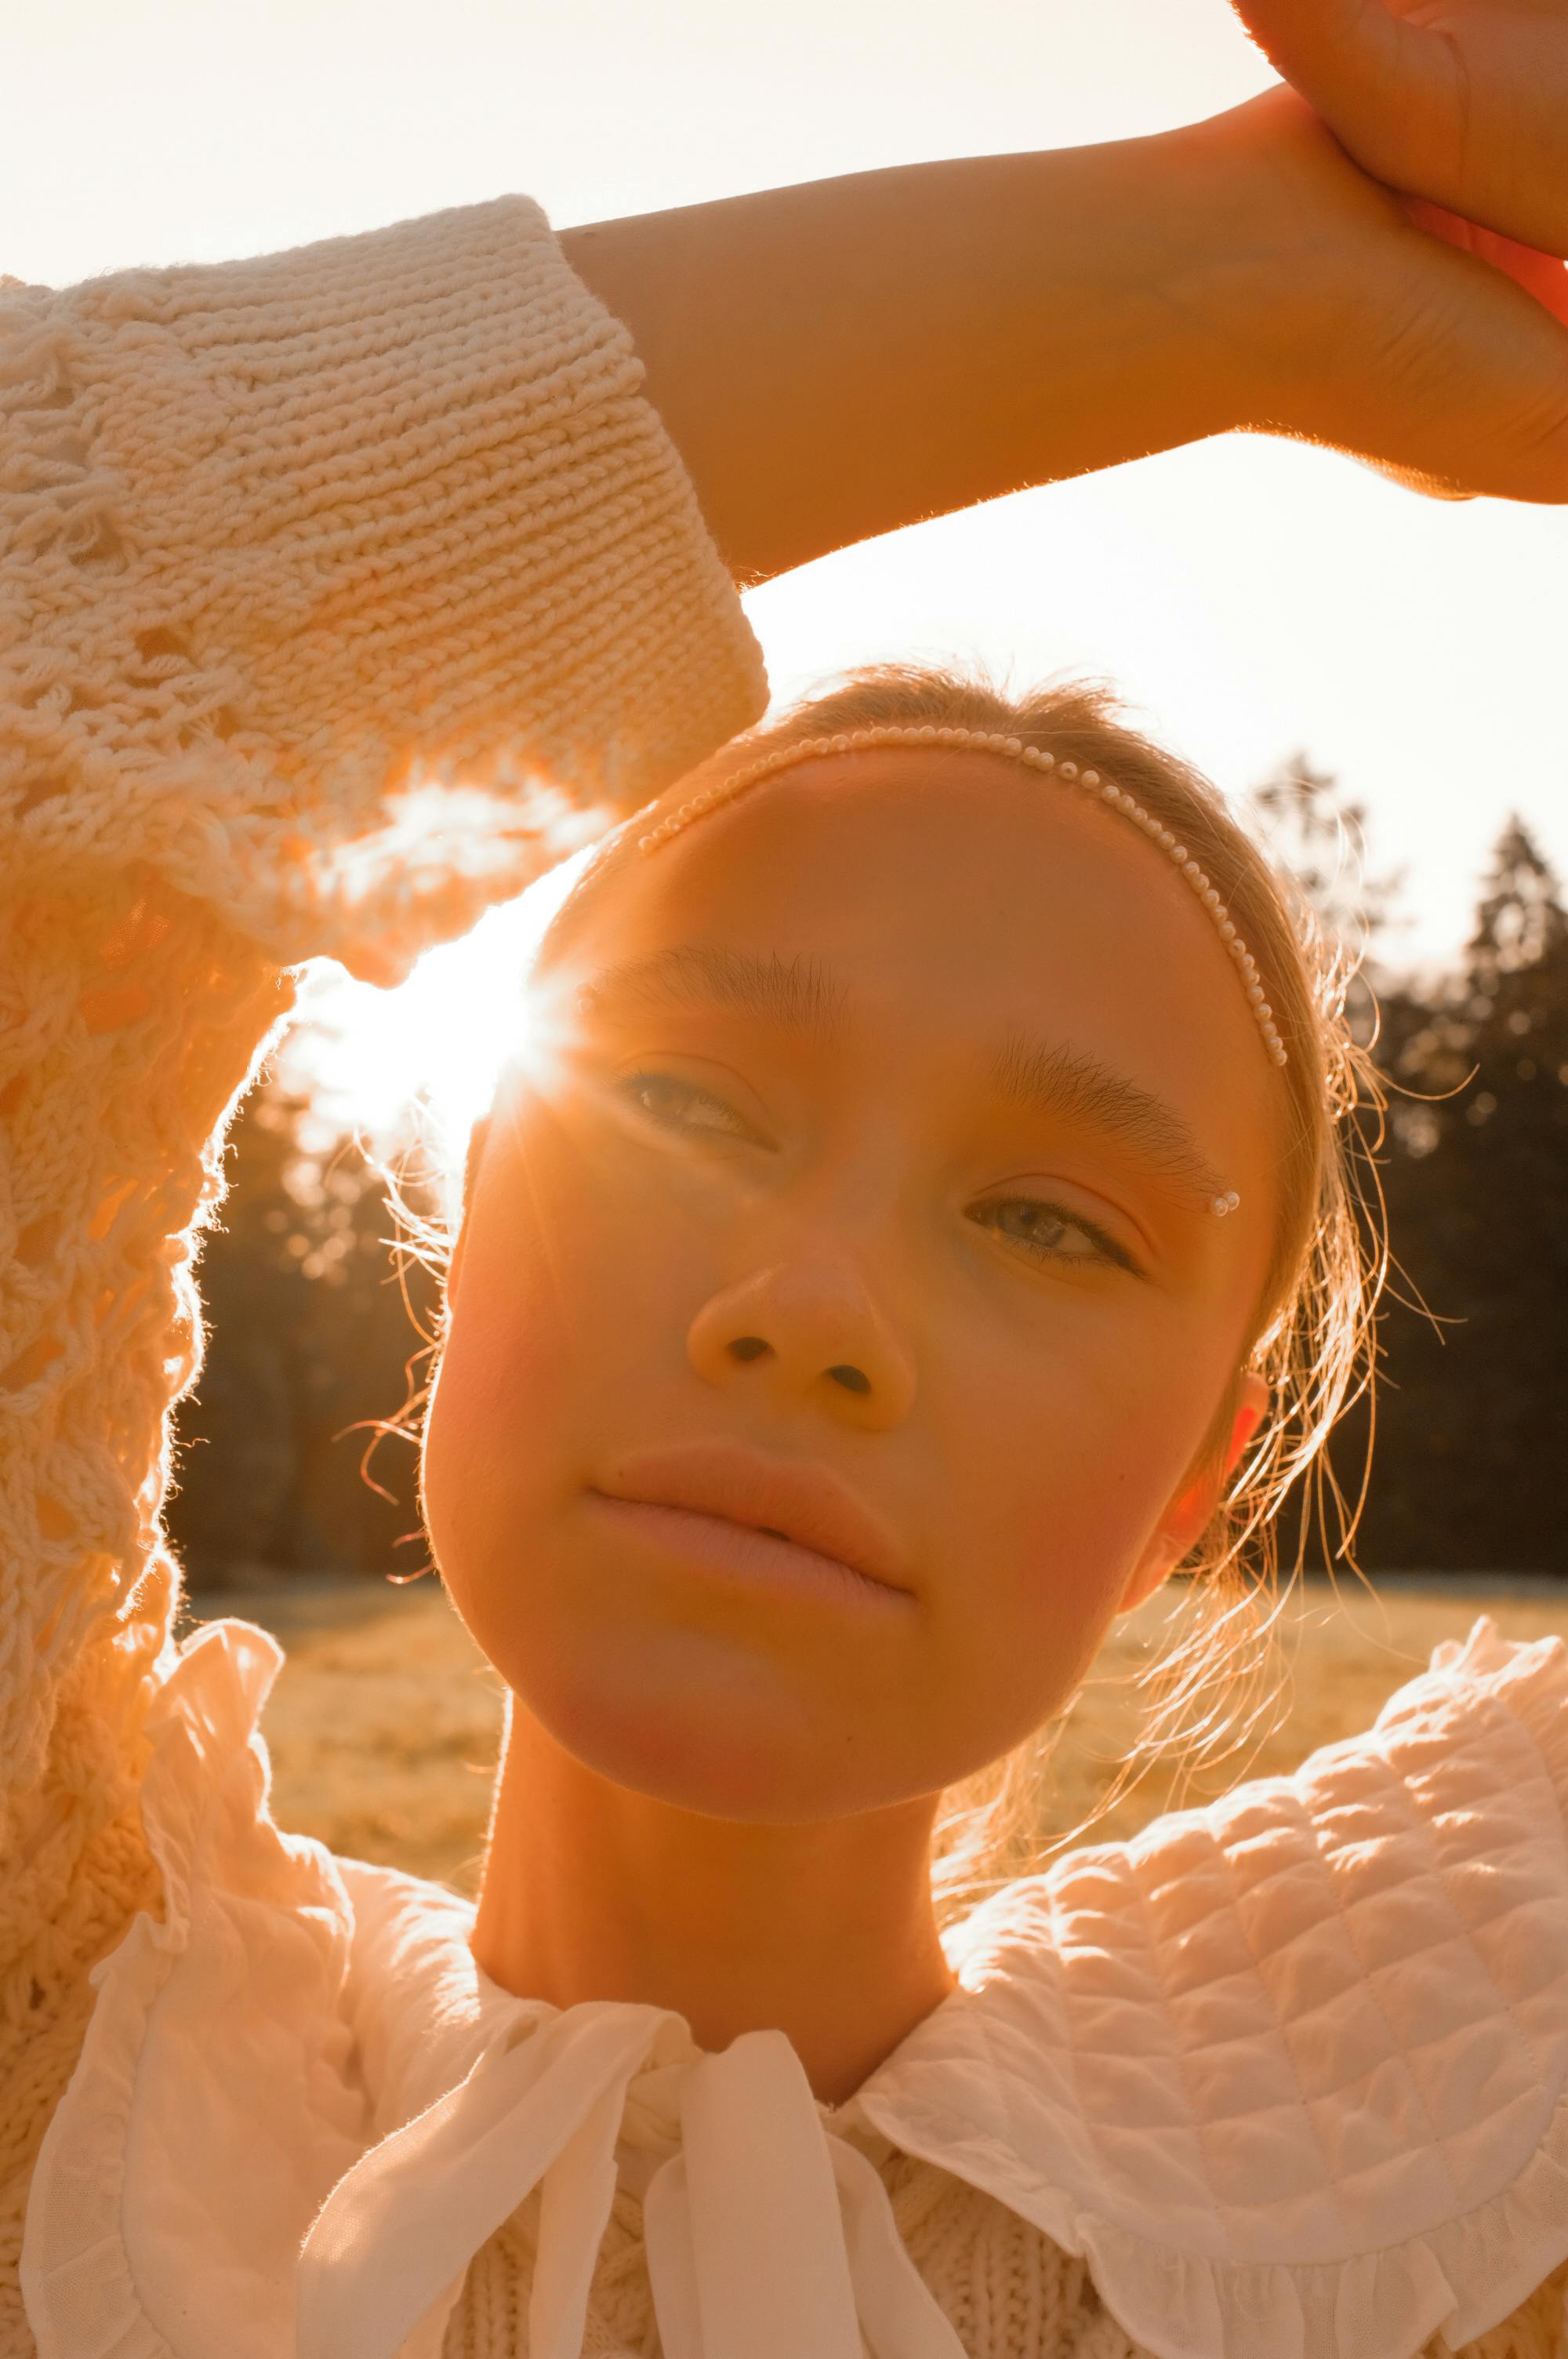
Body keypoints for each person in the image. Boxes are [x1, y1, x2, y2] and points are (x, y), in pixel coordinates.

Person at [3, 2, 1567, 2349]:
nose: (810, 1303)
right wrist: (1211, 273)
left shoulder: (1398, 2192)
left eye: (1054, 1218)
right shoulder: (89, 2073)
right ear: (465, 1238)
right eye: (697, 1107)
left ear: (1195, 1490)